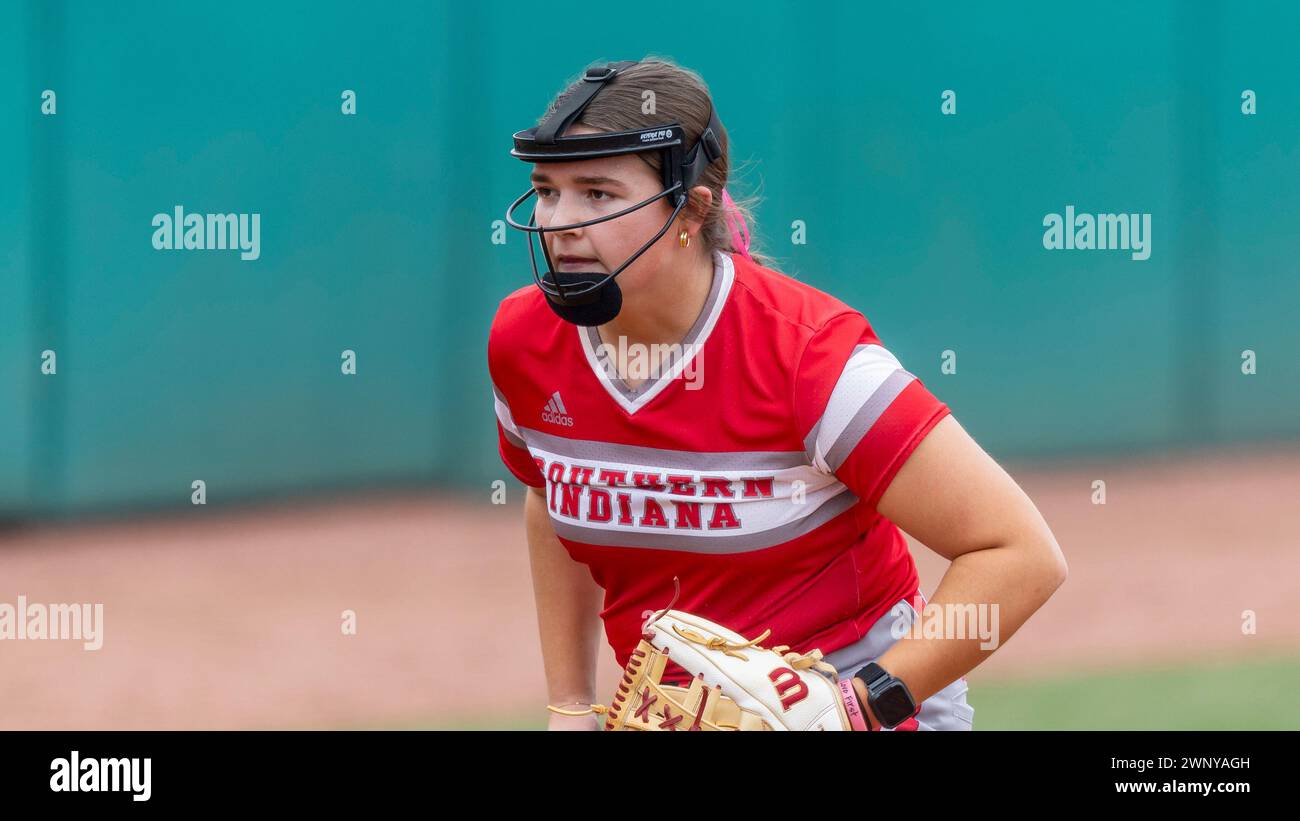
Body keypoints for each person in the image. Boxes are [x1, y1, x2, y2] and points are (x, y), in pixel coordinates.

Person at [488, 58, 1067, 731]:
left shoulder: (812, 360)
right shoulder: (524, 339)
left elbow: (1019, 553)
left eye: (597, 193)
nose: (560, 221)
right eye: (547, 190)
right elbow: (546, 493)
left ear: (689, 210)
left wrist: (858, 705)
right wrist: (569, 702)